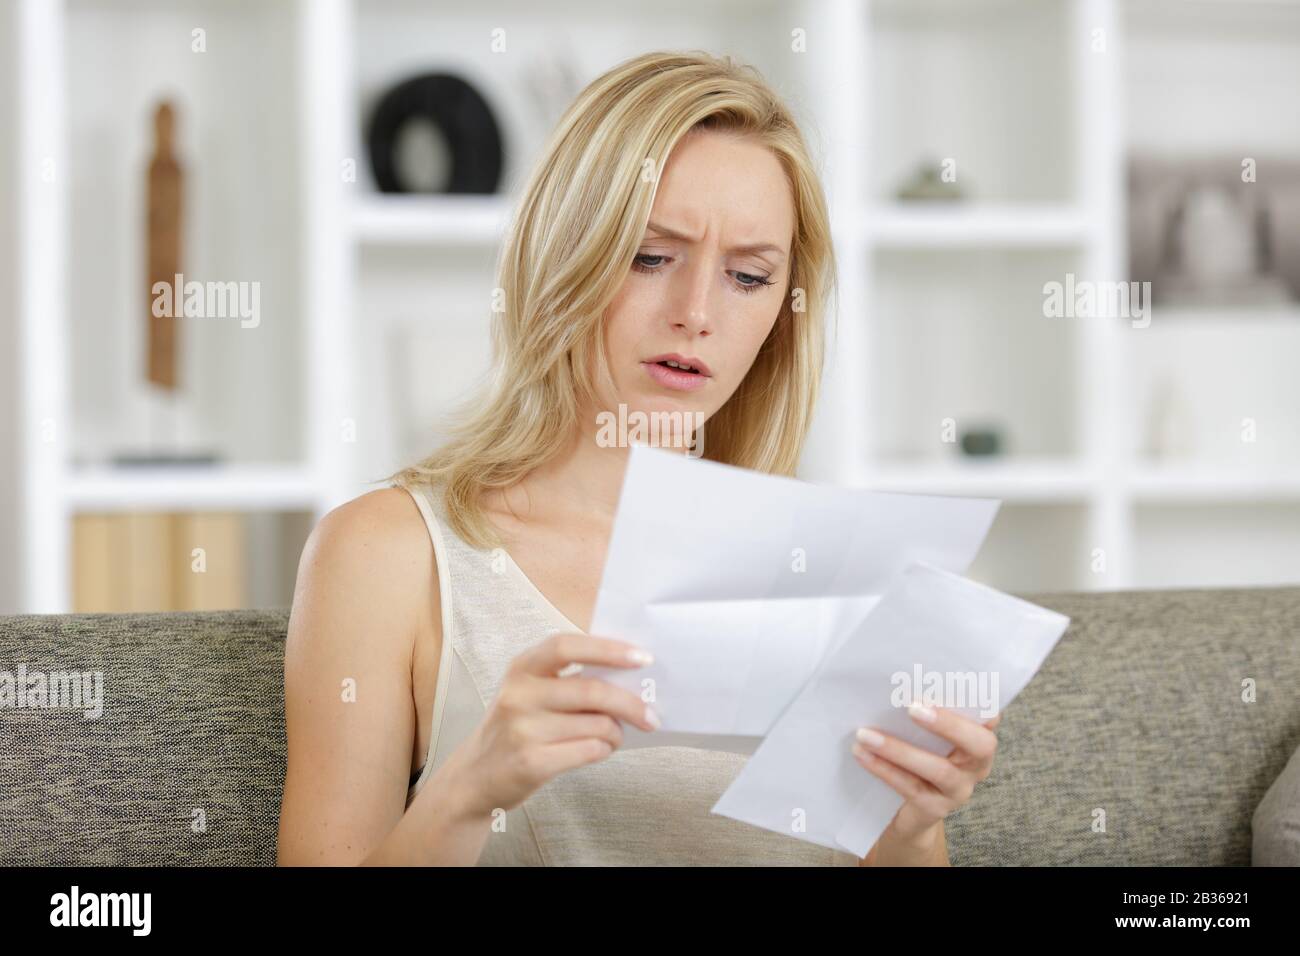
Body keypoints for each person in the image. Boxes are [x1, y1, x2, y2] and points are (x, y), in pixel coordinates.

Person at [276, 51, 1000, 866]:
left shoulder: (834, 570)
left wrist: (911, 828)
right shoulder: (387, 555)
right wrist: (467, 790)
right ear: (565, 256)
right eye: (652, 258)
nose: (696, 313)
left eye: (749, 275)